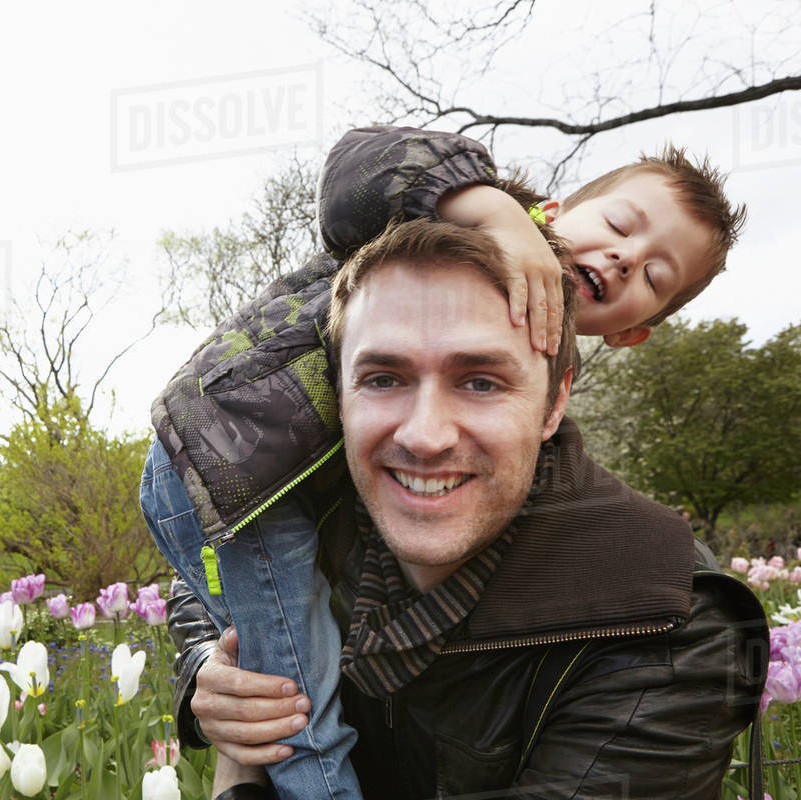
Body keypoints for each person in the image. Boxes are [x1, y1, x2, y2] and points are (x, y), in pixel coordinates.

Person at [141, 125, 748, 800]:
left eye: (481, 381)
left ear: (558, 396)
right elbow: (359, 166)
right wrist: (214, 672)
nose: (425, 435)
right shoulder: (456, 210)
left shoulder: (670, 622)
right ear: (339, 383)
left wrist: (240, 778)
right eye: (384, 377)